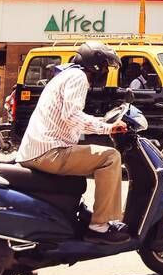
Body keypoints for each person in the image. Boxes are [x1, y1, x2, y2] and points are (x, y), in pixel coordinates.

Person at [15, 41, 130, 244]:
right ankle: (99, 226)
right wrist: (107, 127)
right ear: (94, 64)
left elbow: (70, 117)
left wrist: (101, 122)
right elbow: (72, 116)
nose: (105, 71)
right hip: (50, 151)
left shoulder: (66, 75)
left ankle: (84, 215)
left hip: (39, 150)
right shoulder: (78, 77)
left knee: (91, 158)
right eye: (104, 66)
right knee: (111, 158)